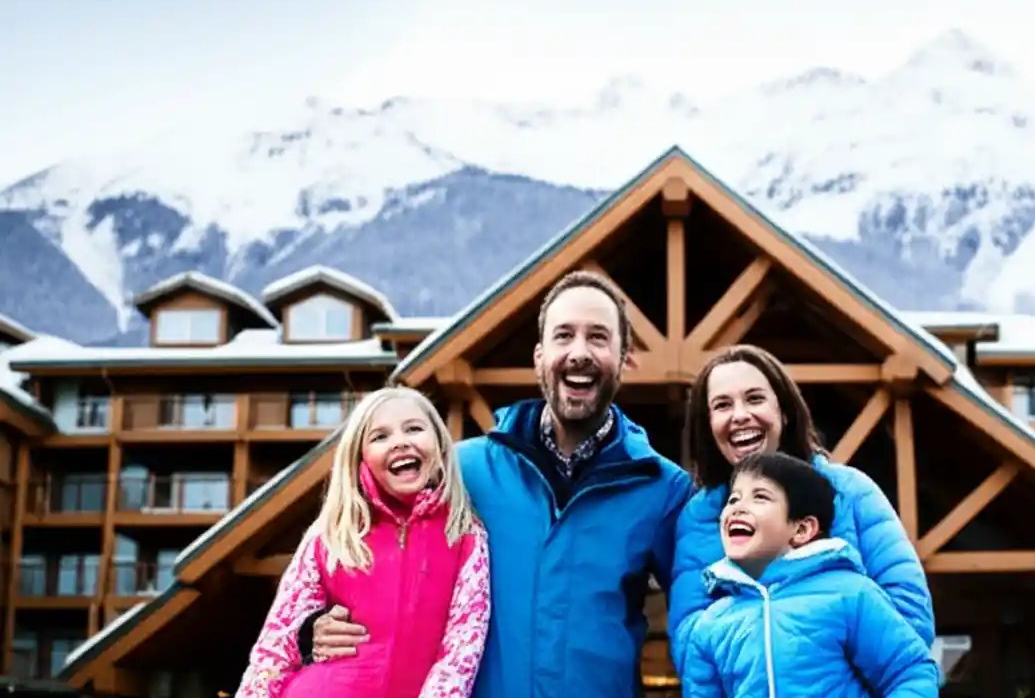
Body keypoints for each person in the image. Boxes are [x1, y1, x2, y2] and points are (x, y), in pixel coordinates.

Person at [299, 270, 694, 697]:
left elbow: (707, 610)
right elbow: (364, 537)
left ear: (624, 358)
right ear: (539, 356)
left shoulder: (663, 489)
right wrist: (311, 626)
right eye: (564, 336)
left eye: (598, 337)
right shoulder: (462, 471)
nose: (579, 352)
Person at [668, 344, 935, 674]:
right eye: (722, 405)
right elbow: (689, 638)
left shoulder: (851, 491)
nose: (739, 415)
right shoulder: (700, 518)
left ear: (784, 412)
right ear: (707, 426)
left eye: (754, 399)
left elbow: (910, 615)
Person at [234, 386, 490, 698]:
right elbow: (275, 647)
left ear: (439, 446)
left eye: (414, 428)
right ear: (361, 458)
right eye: (380, 437)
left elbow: (463, 645)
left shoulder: (463, 533)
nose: (400, 441)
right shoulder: (333, 533)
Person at [680, 451, 938, 698]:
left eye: (760, 497)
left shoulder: (850, 593)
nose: (737, 508)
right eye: (734, 499)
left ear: (802, 529)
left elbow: (910, 672)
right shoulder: (711, 624)